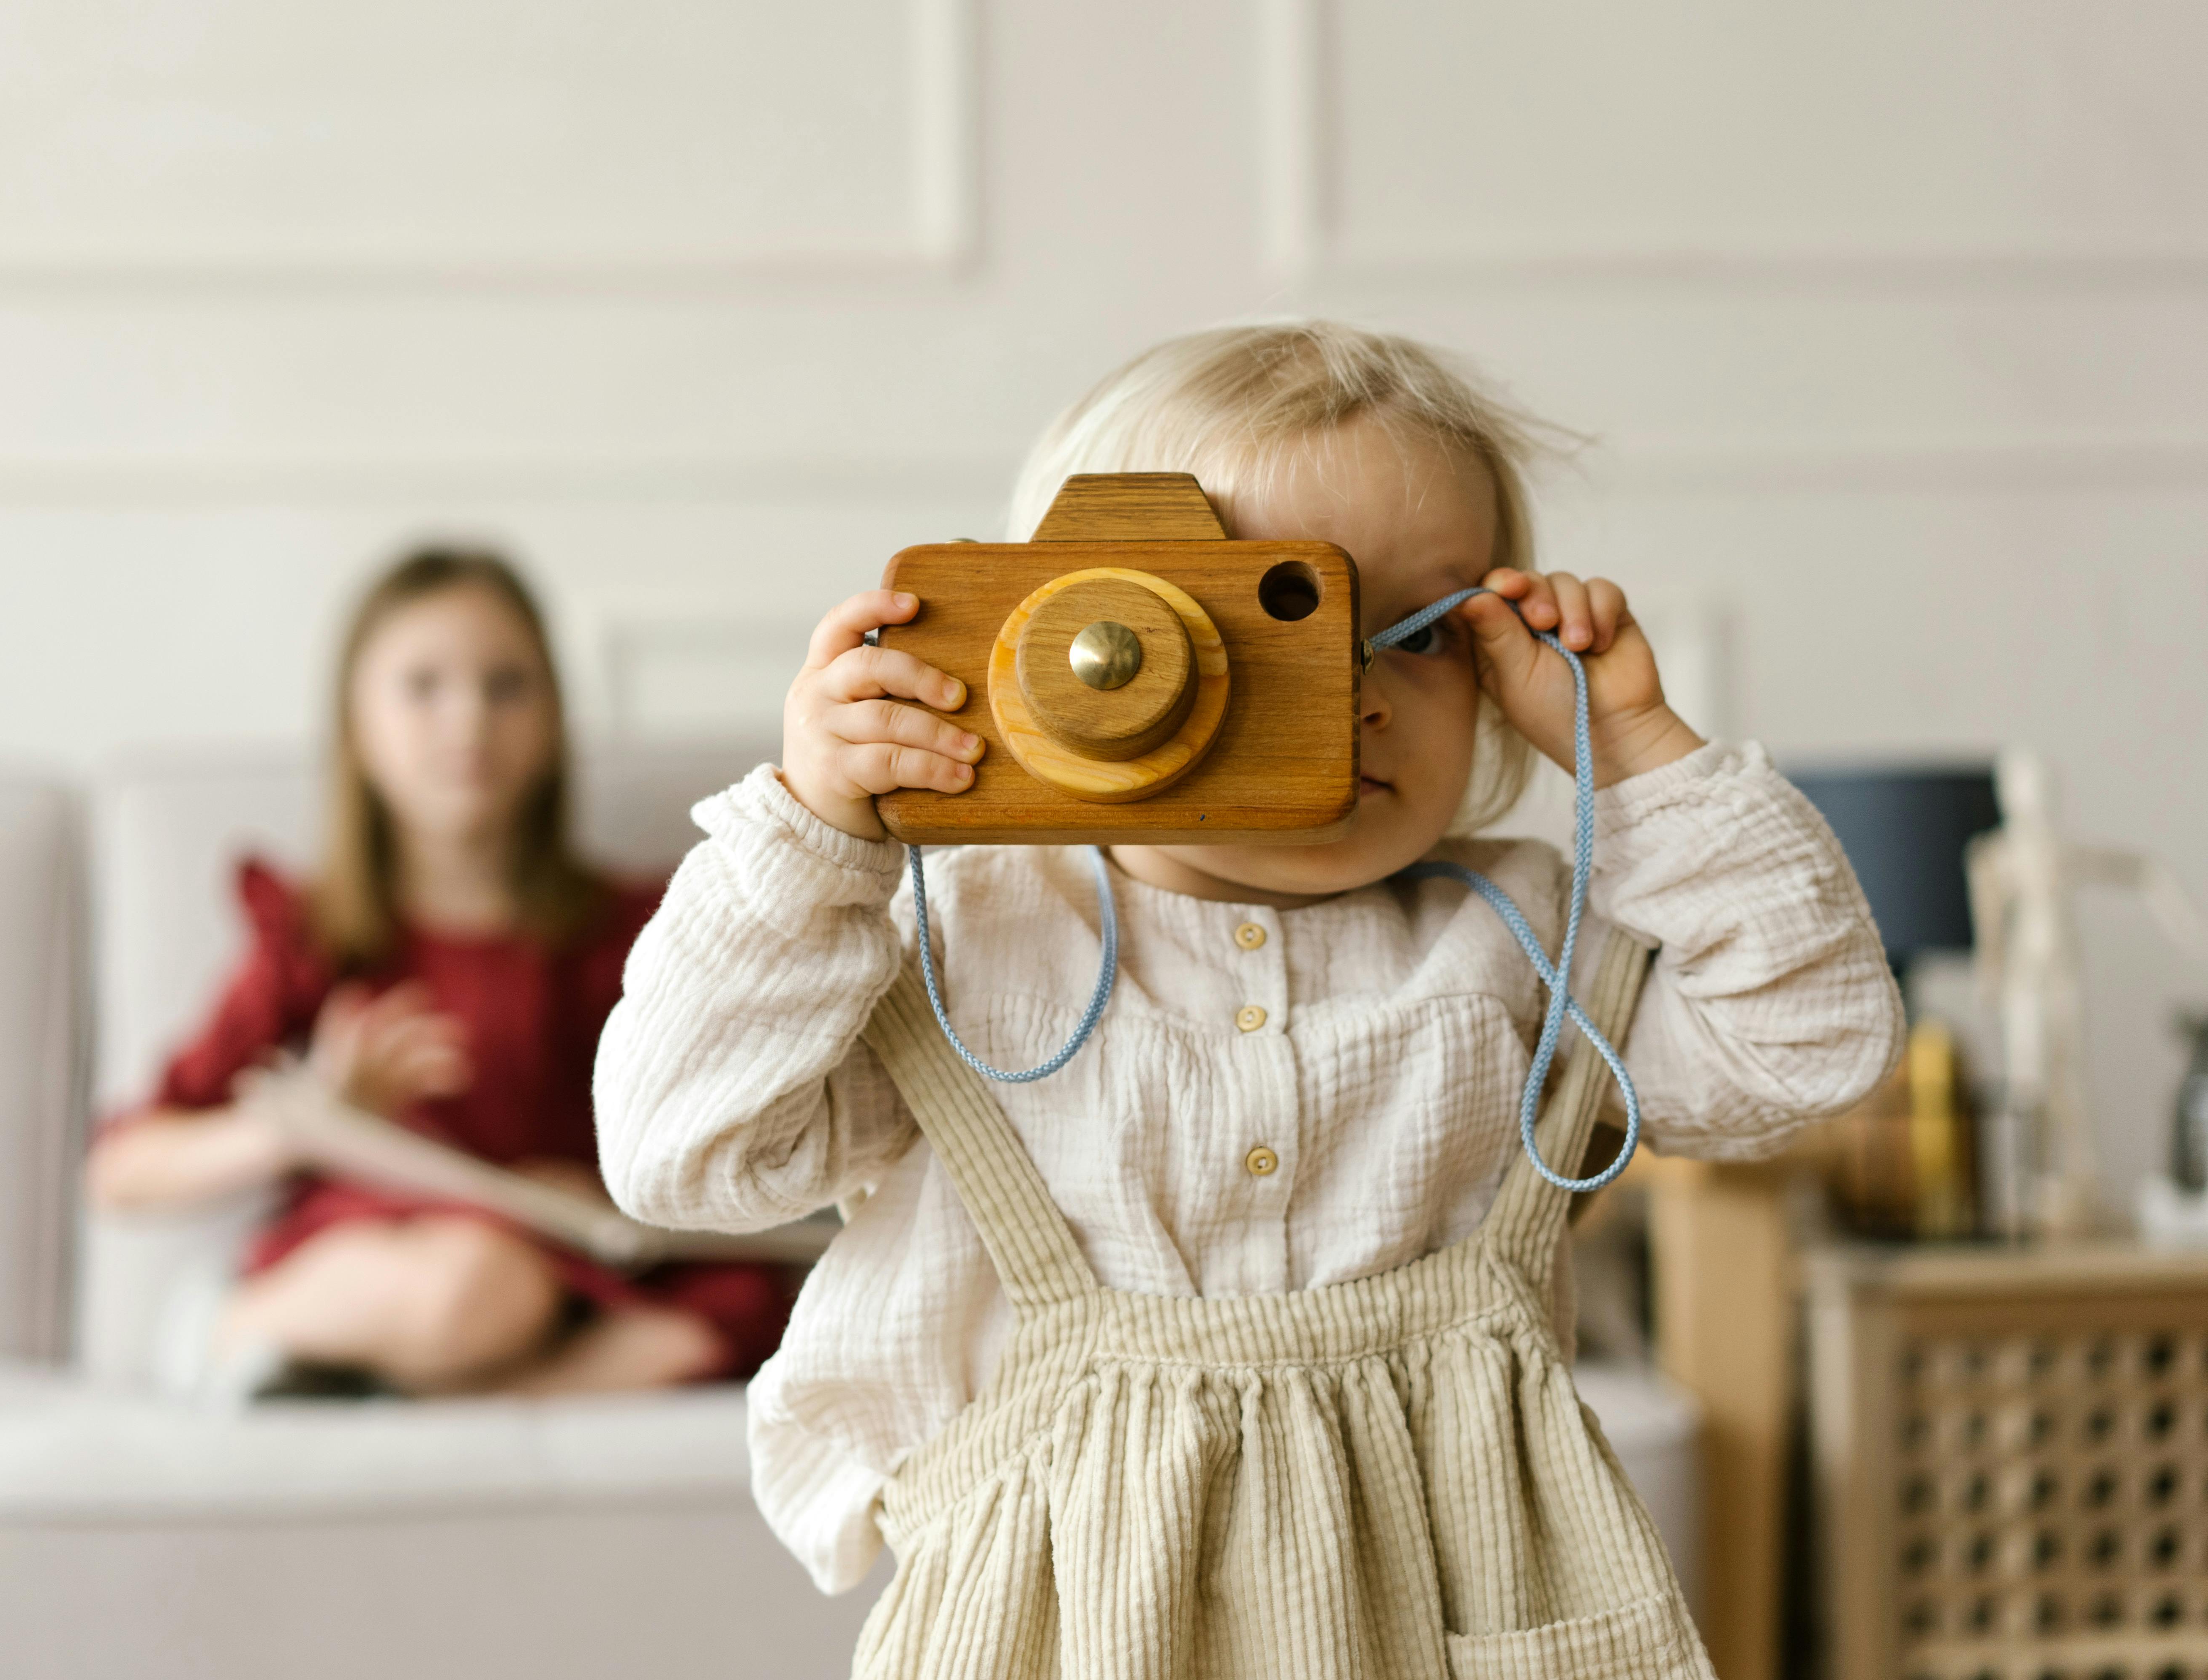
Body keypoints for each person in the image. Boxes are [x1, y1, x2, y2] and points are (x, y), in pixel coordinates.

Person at [592, 322, 1904, 1673]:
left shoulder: (1516, 947)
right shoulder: (959, 944)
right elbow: (682, 1156)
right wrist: (813, 838)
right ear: (1077, 647)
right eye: (1260, 626)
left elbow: (1811, 1049)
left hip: (1463, 1620)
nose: (1352, 695)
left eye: (1420, 637)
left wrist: (1637, 757)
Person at [88, 548, 792, 1402]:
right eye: (423, 687)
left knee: (729, 1319)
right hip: (394, 1256)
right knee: (476, 1285)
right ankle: (231, 1327)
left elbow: (709, 1126)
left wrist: (611, 1193)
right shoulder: (316, 937)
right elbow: (121, 1168)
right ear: (358, 729)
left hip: (566, 1260)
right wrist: (306, 1124)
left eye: (506, 686)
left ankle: (395, 1397)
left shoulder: (630, 935)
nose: (468, 720)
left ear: (553, 720)